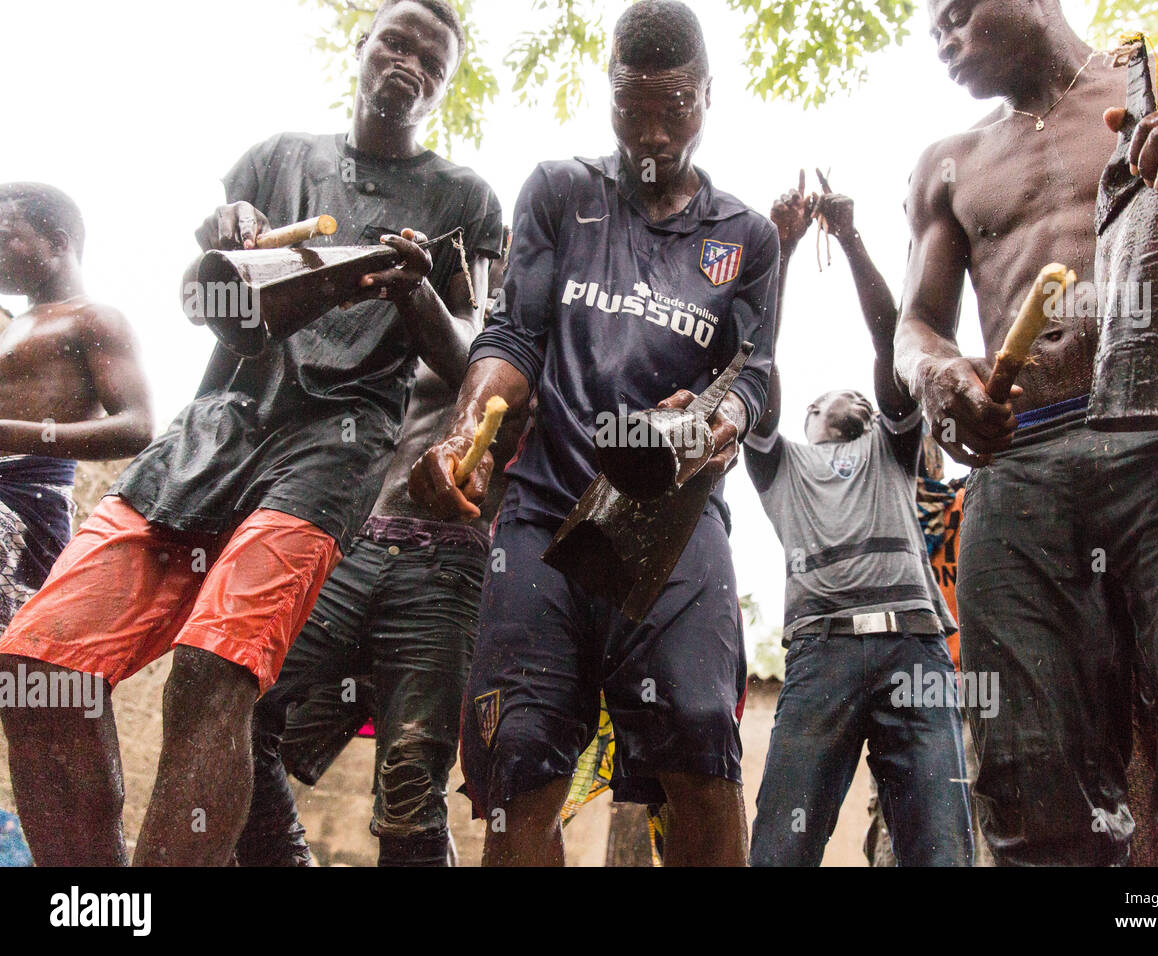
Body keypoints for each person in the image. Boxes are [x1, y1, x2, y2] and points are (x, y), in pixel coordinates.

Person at [0, 0, 501, 866]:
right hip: (213, 431)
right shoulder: (278, 159)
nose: (408, 62)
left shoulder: (465, 198)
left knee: (213, 668)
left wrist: (414, 288)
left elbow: (469, 358)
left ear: (442, 88)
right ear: (363, 47)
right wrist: (223, 245)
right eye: (395, 40)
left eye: (431, 58)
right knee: (36, 665)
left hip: (335, 449)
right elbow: (220, 308)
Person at [894, 0, 1158, 865]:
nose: (946, 39)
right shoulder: (948, 163)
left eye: (959, 13)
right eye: (933, 31)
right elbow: (915, 326)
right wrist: (938, 376)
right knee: (1035, 801)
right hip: (1023, 464)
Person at [409, 0, 778, 867]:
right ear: (608, 91)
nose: (652, 134)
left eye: (674, 109)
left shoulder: (746, 237)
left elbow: (754, 375)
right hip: (542, 516)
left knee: (697, 739)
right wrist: (469, 431)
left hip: (669, 519)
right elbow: (511, 337)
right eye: (632, 107)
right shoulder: (558, 192)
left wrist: (710, 425)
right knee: (523, 760)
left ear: (708, 97)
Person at [236, 245, 516, 869]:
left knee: (411, 785)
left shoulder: (527, 353)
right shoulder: (418, 335)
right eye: (497, 257)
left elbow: (477, 367)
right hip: (356, 546)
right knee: (236, 714)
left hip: (449, 571)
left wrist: (429, 299)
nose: (500, 271)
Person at [744, 183, 971, 867]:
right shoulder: (780, 465)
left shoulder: (891, 451)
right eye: (828, 396)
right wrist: (780, 252)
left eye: (860, 397)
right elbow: (760, 364)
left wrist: (847, 237)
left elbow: (889, 342)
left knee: (942, 850)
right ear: (807, 417)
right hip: (820, 657)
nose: (847, 397)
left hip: (915, 650)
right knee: (781, 850)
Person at [0, 183, 153, 632]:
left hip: (26, 501)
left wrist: (10, 433)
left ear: (58, 243)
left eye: (6, 236)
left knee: (27, 669)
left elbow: (138, 426)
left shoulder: (93, 317)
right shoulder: (12, 326)